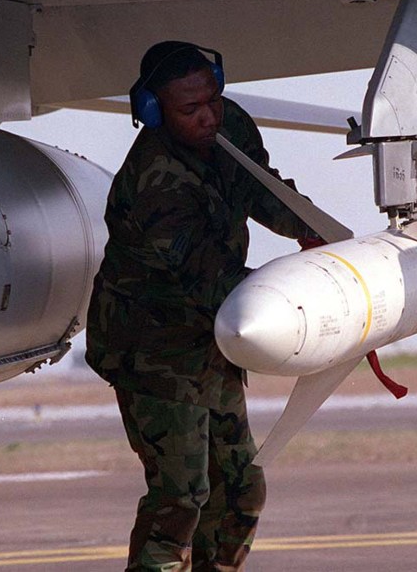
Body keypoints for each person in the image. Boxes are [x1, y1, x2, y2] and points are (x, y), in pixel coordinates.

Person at [85, 41, 321, 571]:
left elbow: (260, 188)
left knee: (241, 491)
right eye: (189, 110)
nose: (207, 116)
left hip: (211, 345)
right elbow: (213, 280)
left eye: (212, 99)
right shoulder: (155, 180)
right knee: (181, 500)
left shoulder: (227, 125)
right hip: (153, 353)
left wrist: (311, 227)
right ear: (153, 111)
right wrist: (302, 301)